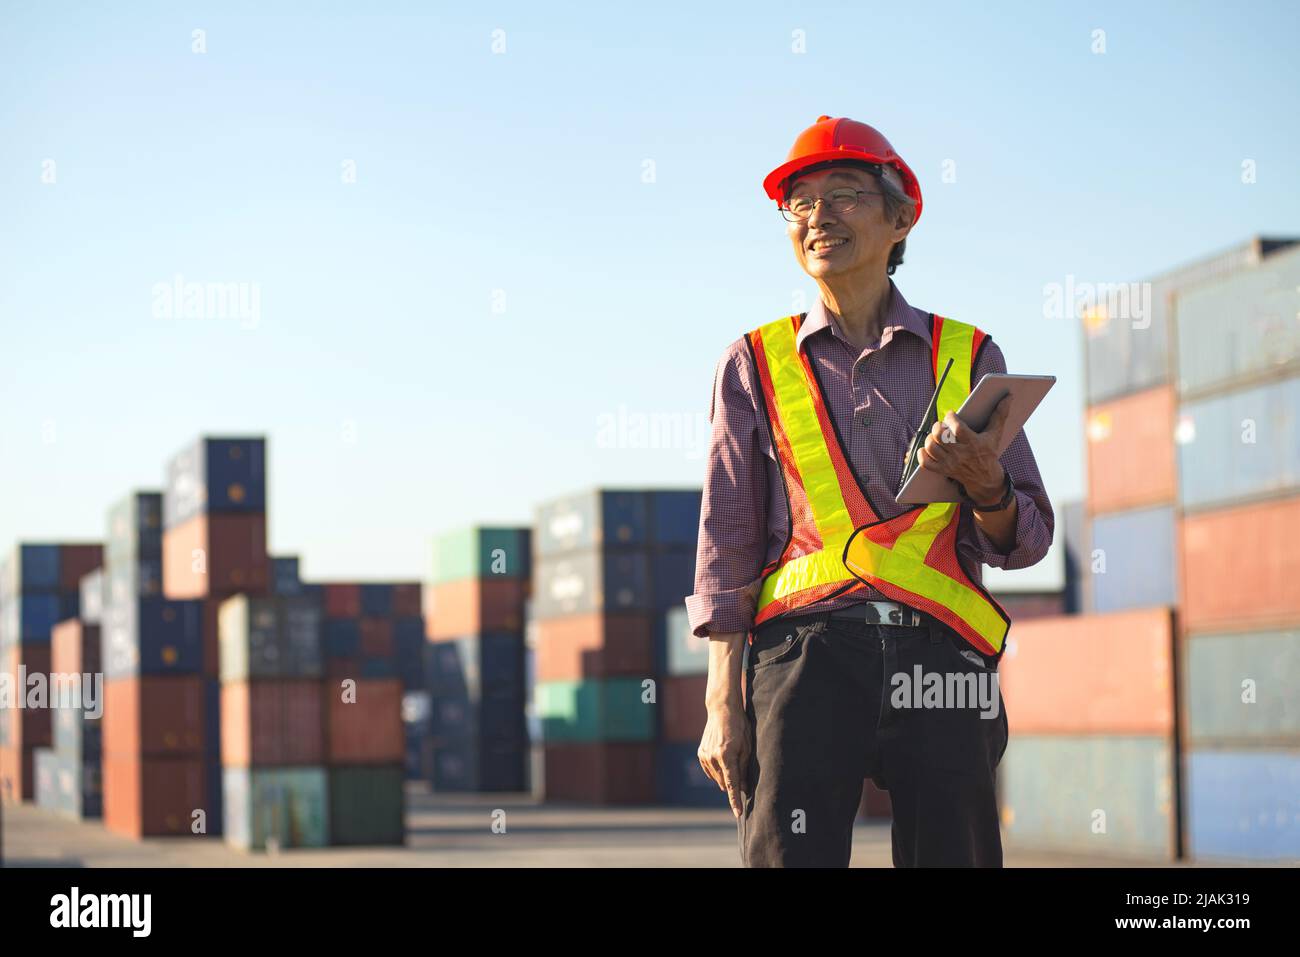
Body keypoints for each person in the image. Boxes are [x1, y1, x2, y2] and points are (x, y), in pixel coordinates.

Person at [686, 116, 1053, 867]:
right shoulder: (753, 364)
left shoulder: (969, 353)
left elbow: (1029, 536)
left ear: (900, 218)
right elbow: (726, 547)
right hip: (803, 658)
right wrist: (721, 697)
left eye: (846, 196)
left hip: (942, 654)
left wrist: (988, 488)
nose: (819, 215)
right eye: (801, 202)